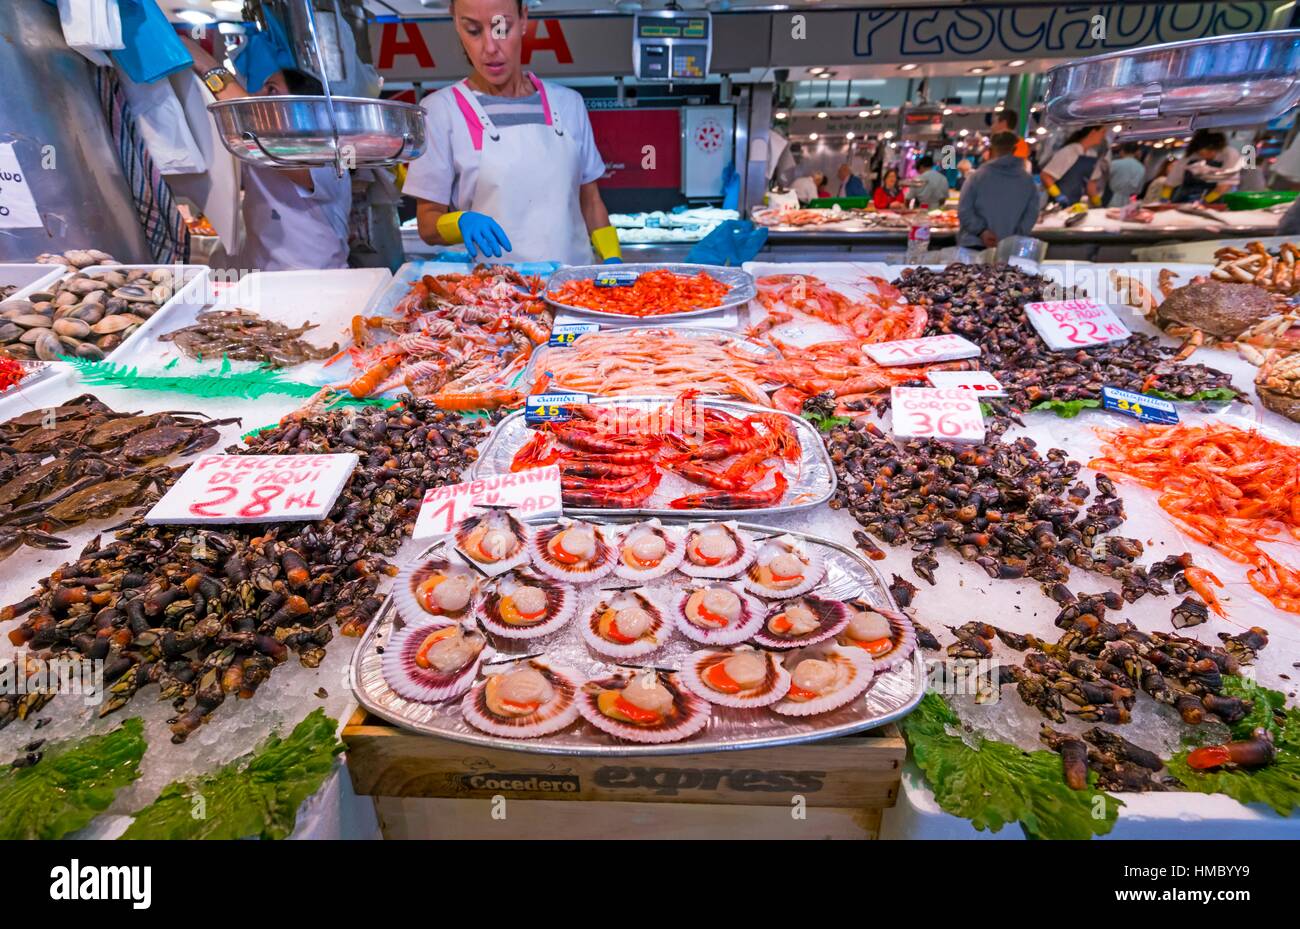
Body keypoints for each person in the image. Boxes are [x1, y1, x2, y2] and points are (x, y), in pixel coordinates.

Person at [405, 0, 619, 264]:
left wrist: (612, 257)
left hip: (571, 289)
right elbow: (427, 224)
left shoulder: (569, 104)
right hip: (495, 296)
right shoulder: (439, 111)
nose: (490, 48)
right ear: (456, 25)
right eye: (473, 30)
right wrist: (460, 222)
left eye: (501, 28)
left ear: (524, 19)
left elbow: (591, 201)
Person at [179, 33, 351, 272]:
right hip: (267, 282)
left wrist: (205, 63)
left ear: (302, 108)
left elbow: (259, 131)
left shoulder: (327, 156)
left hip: (320, 282)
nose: (257, 97)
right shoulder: (254, 144)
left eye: (271, 90)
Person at [957, 132, 1040, 250]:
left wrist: (982, 232)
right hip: (1010, 250)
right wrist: (1015, 237)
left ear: (990, 150)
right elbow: (1031, 214)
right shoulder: (1028, 181)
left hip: (975, 246)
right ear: (1015, 149)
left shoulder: (977, 177)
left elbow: (964, 211)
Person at [1159, 130, 1242, 204]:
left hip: (1215, 200)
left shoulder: (1230, 154)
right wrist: (1164, 199)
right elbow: (1170, 182)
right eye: (1201, 153)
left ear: (1218, 148)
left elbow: (1224, 186)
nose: (1205, 155)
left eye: (1209, 152)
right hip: (1184, 198)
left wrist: (1205, 202)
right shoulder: (1190, 155)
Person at [1039, 125, 1108, 206]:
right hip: (1057, 204)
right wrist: (1058, 195)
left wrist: (1097, 201)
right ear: (1093, 132)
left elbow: (1091, 183)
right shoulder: (1069, 151)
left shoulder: (1093, 155)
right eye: (1102, 132)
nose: (1104, 136)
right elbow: (1045, 176)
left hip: (1077, 203)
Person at [1106, 141, 1146, 207]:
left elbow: (1105, 181)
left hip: (1111, 198)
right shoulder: (1141, 167)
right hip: (1131, 201)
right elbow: (1139, 189)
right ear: (1136, 152)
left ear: (1122, 151)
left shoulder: (1114, 164)